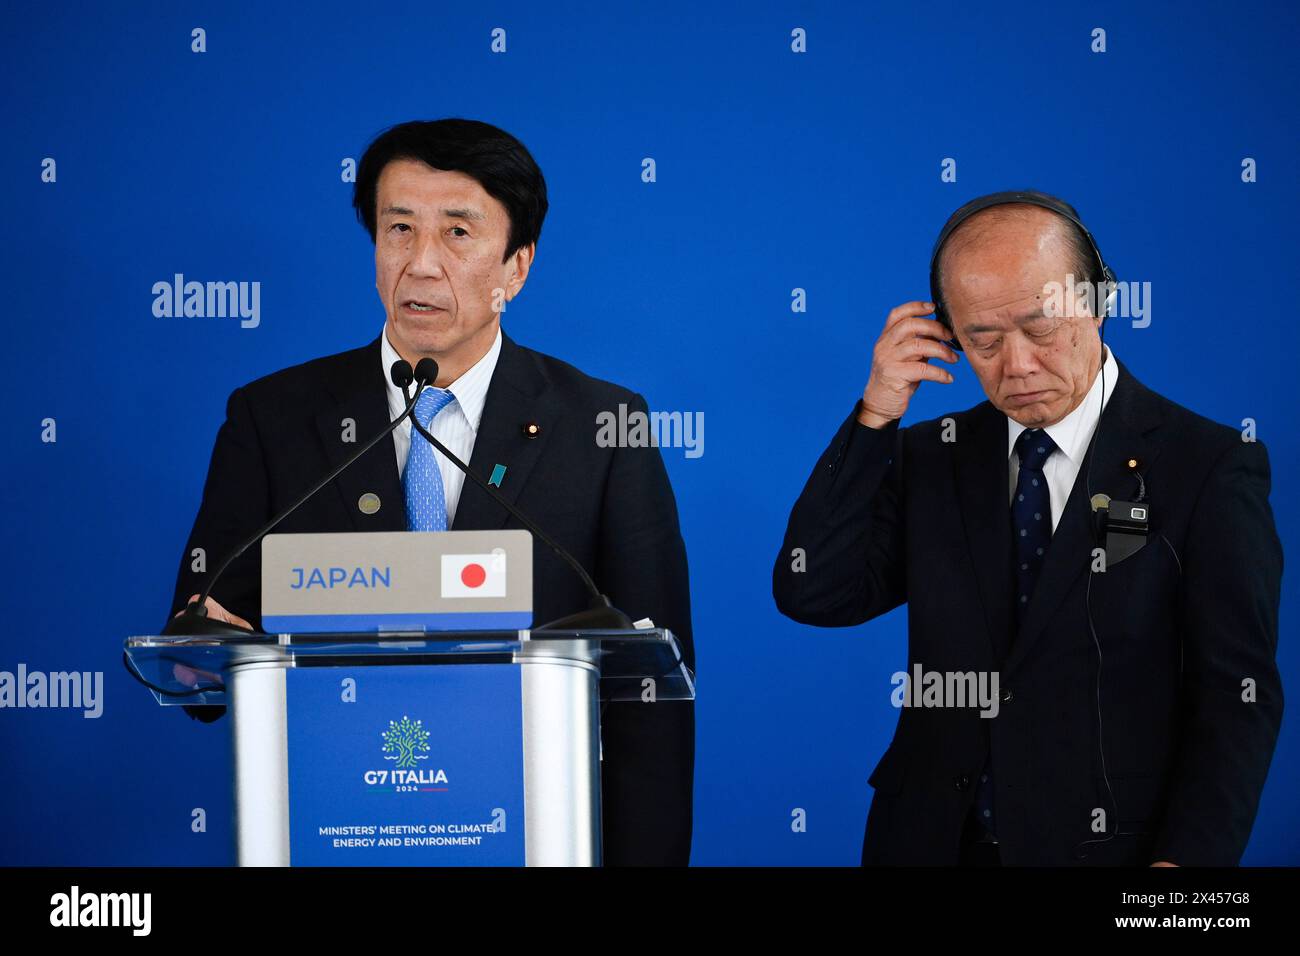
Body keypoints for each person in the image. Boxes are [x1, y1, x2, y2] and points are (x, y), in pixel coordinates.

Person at [170, 118, 695, 866]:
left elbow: (650, 697)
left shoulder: (604, 427)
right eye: (398, 229)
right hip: (333, 827)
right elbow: (196, 646)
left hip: (535, 832)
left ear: (517, 265)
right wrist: (204, 644)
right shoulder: (273, 417)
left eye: (457, 233)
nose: (420, 264)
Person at [772, 190, 1283, 866]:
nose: (1015, 367)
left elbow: (1235, 697)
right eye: (982, 340)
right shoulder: (934, 454)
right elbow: (816, 592)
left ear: (1100, 302)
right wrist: (875, 416)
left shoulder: (1208, 466)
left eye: (1041, 328)